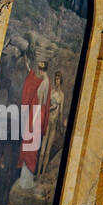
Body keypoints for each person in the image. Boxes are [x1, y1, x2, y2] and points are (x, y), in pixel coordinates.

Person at [17, 59, 50, 187]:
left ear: (42, 70)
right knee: (31, 145)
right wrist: (28, 66)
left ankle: (26, 181)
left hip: (36, 116)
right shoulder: (45, 81)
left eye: (39, 70)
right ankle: (25, 180)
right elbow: (33, 79)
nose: (38, 72)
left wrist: (32, 122)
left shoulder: (44, 83)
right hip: (37, 115)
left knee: (30, 146)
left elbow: (40, 104)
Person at [38, 71, 65, 172]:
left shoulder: (62, 95)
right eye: (55, 78)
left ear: (61, 80)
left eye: (58, 79)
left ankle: (43, 173)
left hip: (54, 125)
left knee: (48, 151)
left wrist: (61, 126)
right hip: (47, 122)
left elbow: (61, 112)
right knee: (42, 149)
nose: (56, 80)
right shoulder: (52, 92)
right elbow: (46, 106)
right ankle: (38, 172)